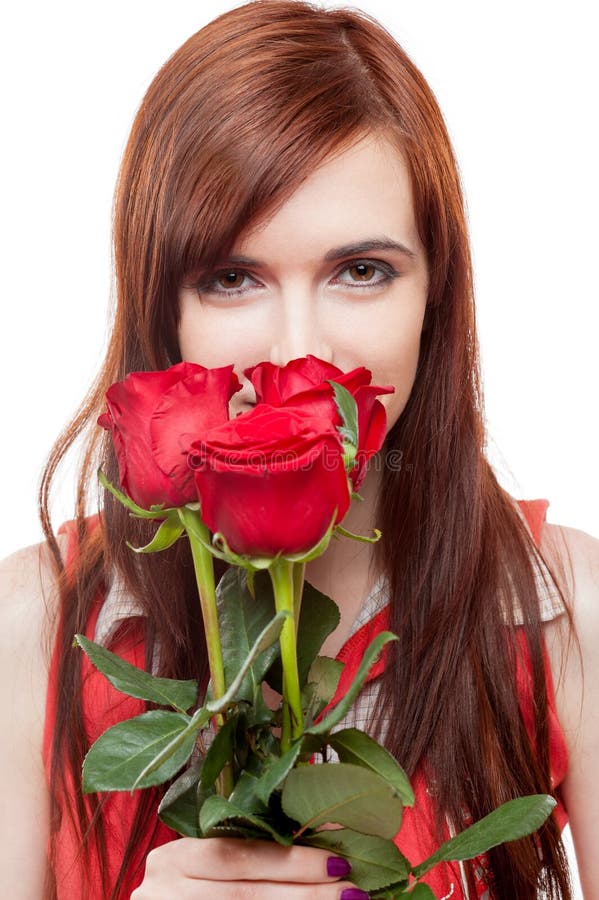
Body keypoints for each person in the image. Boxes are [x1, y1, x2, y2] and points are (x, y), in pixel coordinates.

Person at [1, 1, 597, 897]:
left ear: (437, 292)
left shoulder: (564, 615)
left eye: (361, 271)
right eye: (232, 278)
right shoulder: (35, 625)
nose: (295, 354)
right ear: (163, 306)